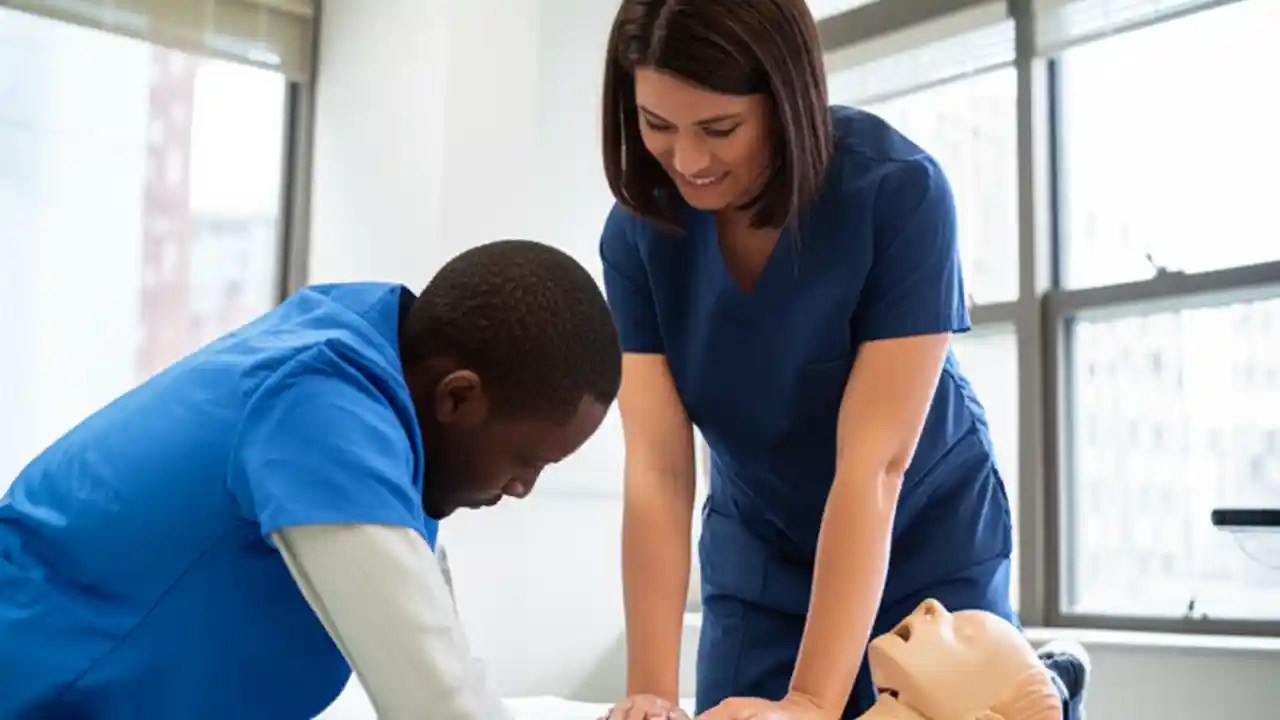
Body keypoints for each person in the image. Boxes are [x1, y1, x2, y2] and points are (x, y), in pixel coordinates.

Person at [596, 2, 1088, 720]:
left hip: (920, 531)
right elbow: (658, 470)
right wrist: (651, 695)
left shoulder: (900, 191)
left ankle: (1055, 686)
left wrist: (810, 703)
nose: (689, 161)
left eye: (720, 129)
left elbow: (875, 468)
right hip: (761, 547)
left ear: (785, 96)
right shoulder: (638, 234)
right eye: (657, 125)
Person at [0, 239, 621, 719]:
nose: (523, 488)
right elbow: (437, 703)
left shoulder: (375, 364)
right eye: (528, 460)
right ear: (458, 397)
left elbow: (440, 658)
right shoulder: (321, 411)